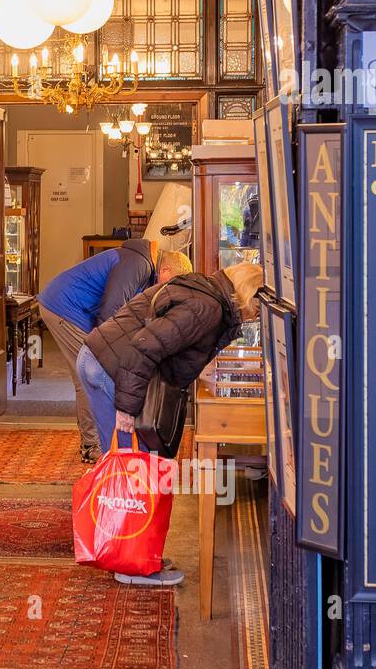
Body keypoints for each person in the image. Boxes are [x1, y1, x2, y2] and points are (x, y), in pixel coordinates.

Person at [76, 262, 265, 587]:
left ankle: (124, 552)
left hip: (100, 357)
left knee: (129, 464)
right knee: (138, 465)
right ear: (248, 295)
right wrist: (127, 406)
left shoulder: (206, 293)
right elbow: (146, 346)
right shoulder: (207, 307)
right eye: (259, 306)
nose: (258, 314)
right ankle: (134, 563)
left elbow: (174, 343)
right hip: (112, 365)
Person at [39, 241, 193, 464]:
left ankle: (99, 443)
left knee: (89, 372)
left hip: (70, 308)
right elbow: (111, 310)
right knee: (89, 374)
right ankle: (94, 446)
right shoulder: (138, 263)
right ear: (165, 270)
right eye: (172, 284)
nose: (169, 291)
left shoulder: (142, 264)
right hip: (64, 308)